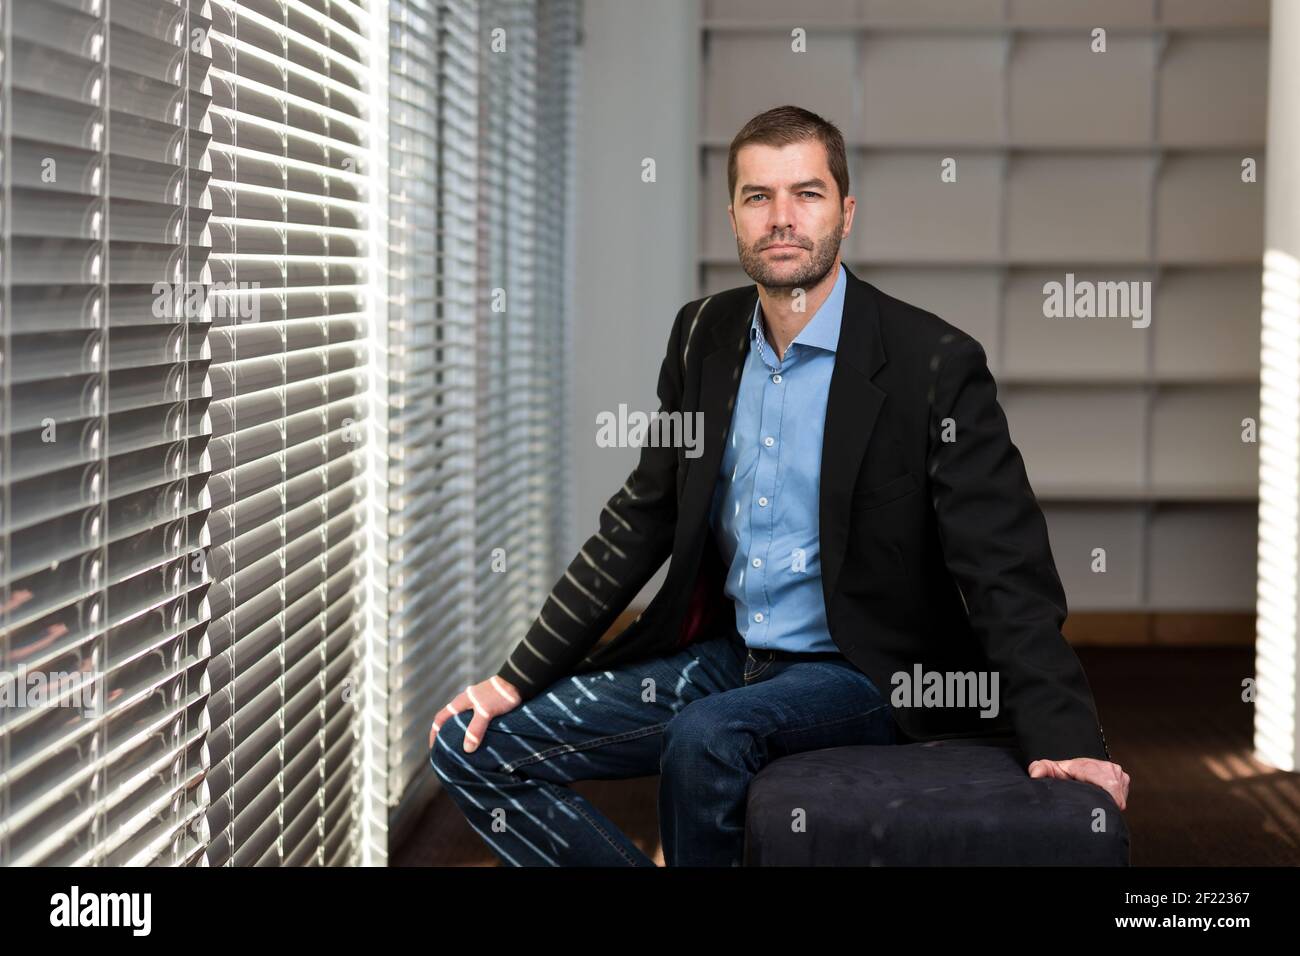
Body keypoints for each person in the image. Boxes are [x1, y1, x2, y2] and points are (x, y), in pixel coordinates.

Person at [428, 104, 1131, 867]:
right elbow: (641, 517)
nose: (782, 218)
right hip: (732, 656)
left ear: (846, 212)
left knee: (706, 738)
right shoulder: (702, 335)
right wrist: (511, 678)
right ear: (732, 214)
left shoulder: (932, 362)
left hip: (861, 672)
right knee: (473, 747)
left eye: (808, 193)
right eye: (759, 197)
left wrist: (1069, 737)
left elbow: (1004, 567)